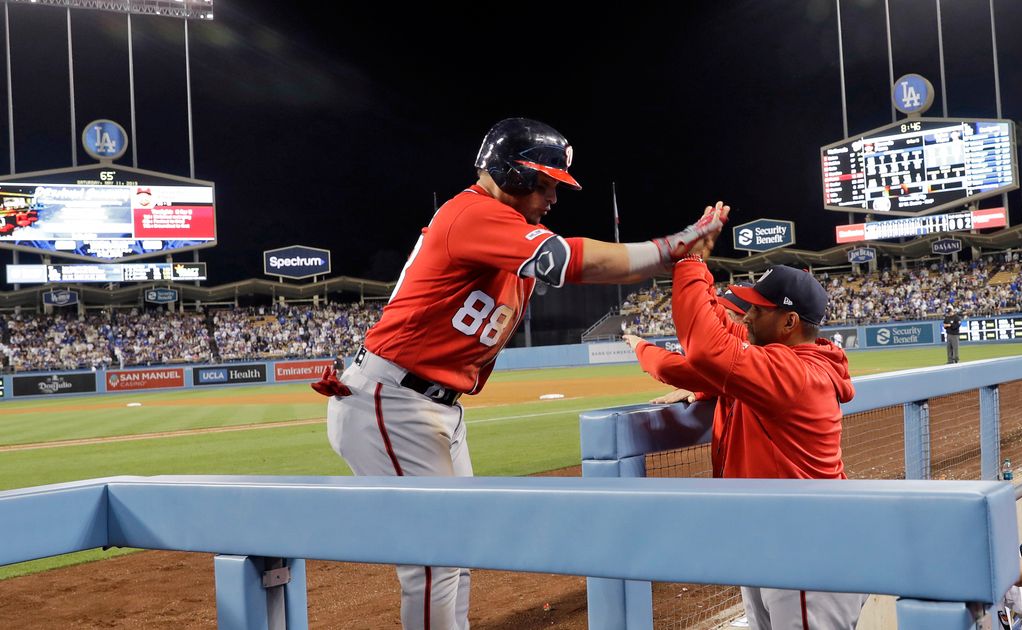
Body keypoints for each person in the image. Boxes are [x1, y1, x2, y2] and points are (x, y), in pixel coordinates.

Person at [310, 117, 727, 630]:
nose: (553, 196)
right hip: (392, 400)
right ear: (511, 174)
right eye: (546, 183)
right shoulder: (472, 214)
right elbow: (575, 262)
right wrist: (673, 246)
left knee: (453, 549)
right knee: (434, 555)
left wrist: (670, 259)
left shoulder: (502, 228)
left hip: (426, 403)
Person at [624, 248, 866, 629]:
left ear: (789, 322)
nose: (748, 316)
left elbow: (707, 348)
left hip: (805, 549)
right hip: (772, 539)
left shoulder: (791, 371)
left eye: (759, 309)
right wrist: (710, 387)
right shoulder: (786, 361)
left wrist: (691, 264)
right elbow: (725, 338)